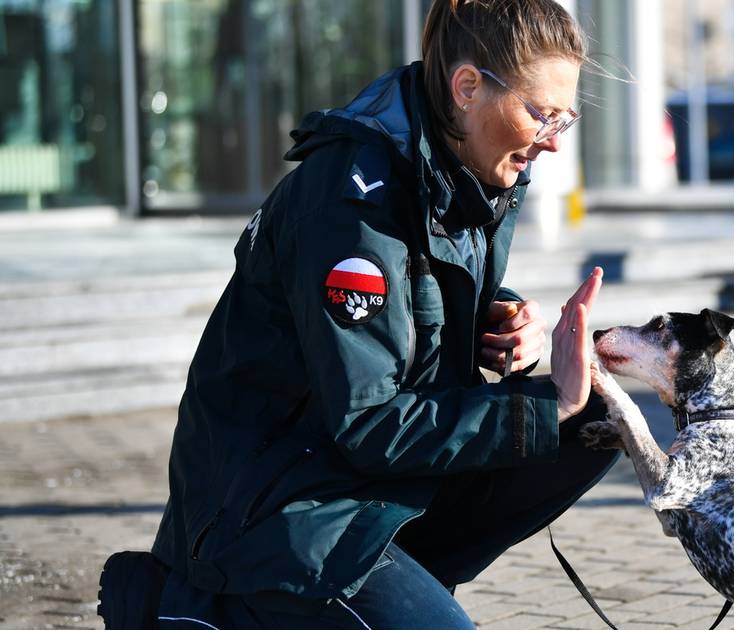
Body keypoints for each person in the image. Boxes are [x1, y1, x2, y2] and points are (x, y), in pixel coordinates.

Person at [97, 1, 620, 628]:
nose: (554, 141)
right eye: (541, 113)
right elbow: (370, 420)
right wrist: (542, 404)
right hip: (281, 506)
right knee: (553, 416)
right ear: (468, 87)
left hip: (368, 478)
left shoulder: (464, 168)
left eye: (566, 116)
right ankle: (188, 609)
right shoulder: (352, 208)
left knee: (597, 420)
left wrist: (499, 318)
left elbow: (419, 291)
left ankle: (400, 580)